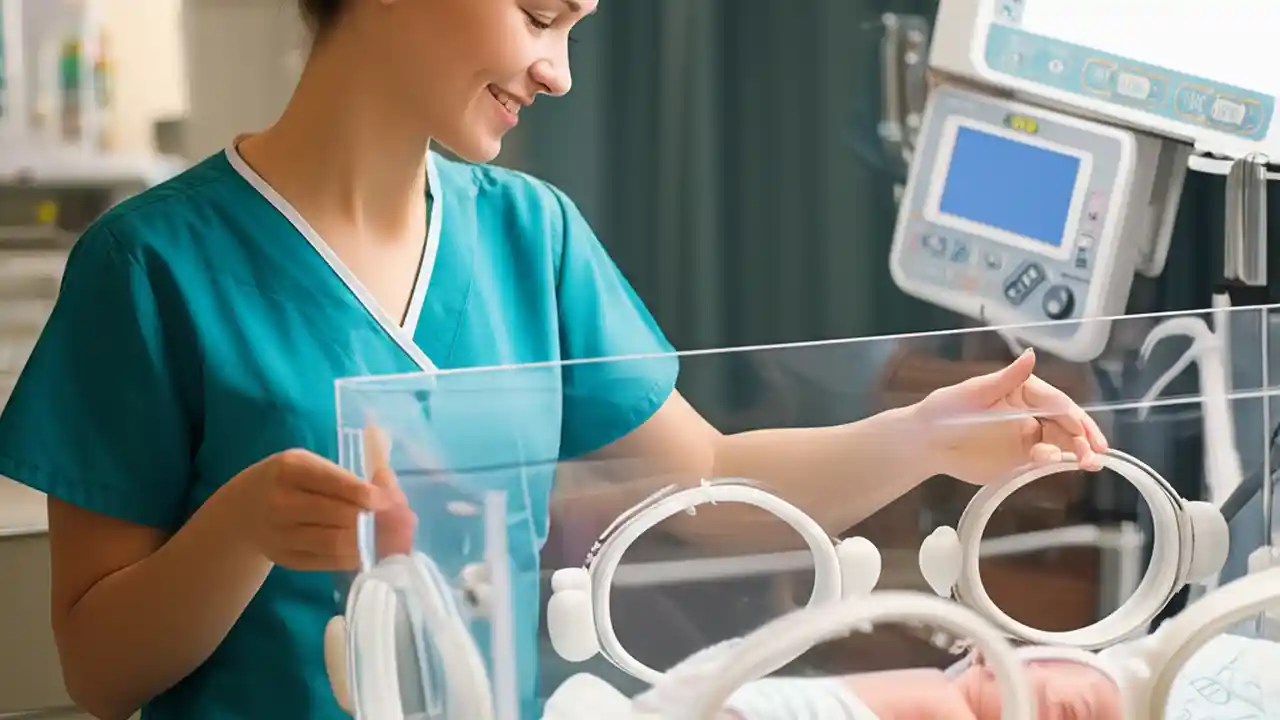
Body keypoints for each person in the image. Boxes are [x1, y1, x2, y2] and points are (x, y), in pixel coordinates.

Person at [0, 1, 1111, 719]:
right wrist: (239, 532)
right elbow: (102, 673)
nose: (559, 71)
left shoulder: (529, 237)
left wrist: (922, 439)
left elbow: (713, 485)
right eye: (540, 16)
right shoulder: (147, 266)